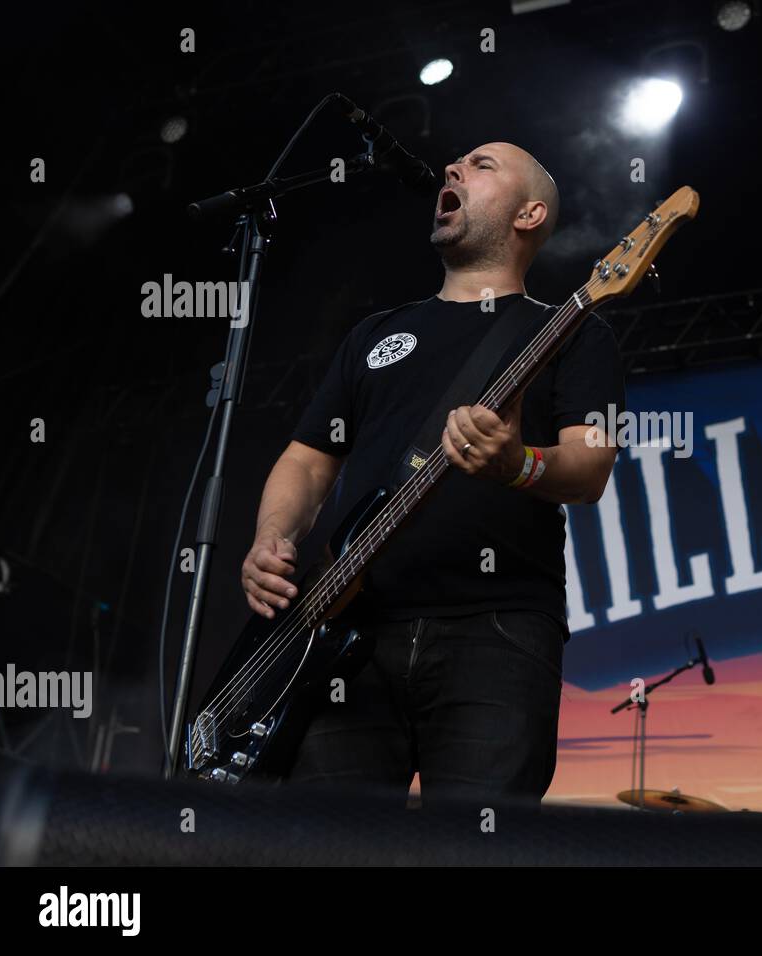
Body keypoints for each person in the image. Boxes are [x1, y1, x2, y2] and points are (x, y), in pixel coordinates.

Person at [239, 142, 624, 802]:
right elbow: (307, 460)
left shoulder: (577, 333)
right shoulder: (374, 336)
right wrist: (271, 537)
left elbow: (589, 469)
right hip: (344, 637)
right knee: (326, 848)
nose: (452, 169)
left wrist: (515, 463)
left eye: (482, 166)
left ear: (529, 214)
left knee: (479, 848)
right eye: (456, 164)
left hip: (497, 628)